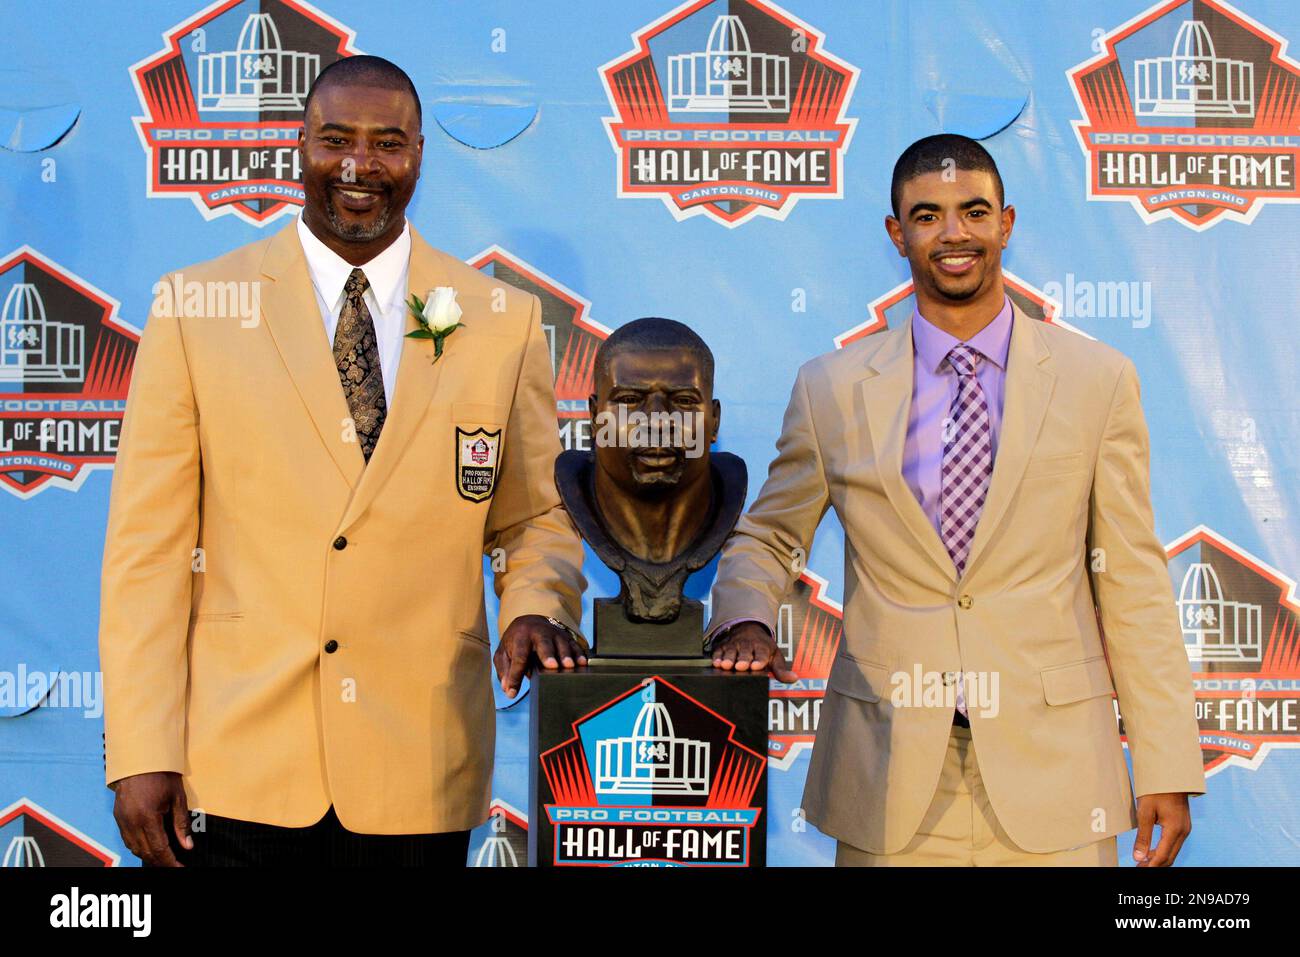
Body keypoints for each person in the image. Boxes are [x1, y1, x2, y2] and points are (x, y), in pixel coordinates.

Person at [99, 55, 587, 867]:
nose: (360, 165)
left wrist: (535, 599)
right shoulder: (196, 308)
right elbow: (147, 551)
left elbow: (534, 514)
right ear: (299, 144)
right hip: (238, 769)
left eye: (387, 142)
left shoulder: (500, 322)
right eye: (336, 139)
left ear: (421, 154)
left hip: (420, 767)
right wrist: (143, 746)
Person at [704, 134, 1205, 866]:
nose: (954, 233)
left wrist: (1165, 760)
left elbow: (1130, 578)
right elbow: (771, 535)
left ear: (1006, 222)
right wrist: (744, 614)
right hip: (890, 775)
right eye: (929, 215)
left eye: (973, 212)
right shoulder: (832, 387)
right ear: (896, 233)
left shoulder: (1098, 379)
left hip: (1058, 775)